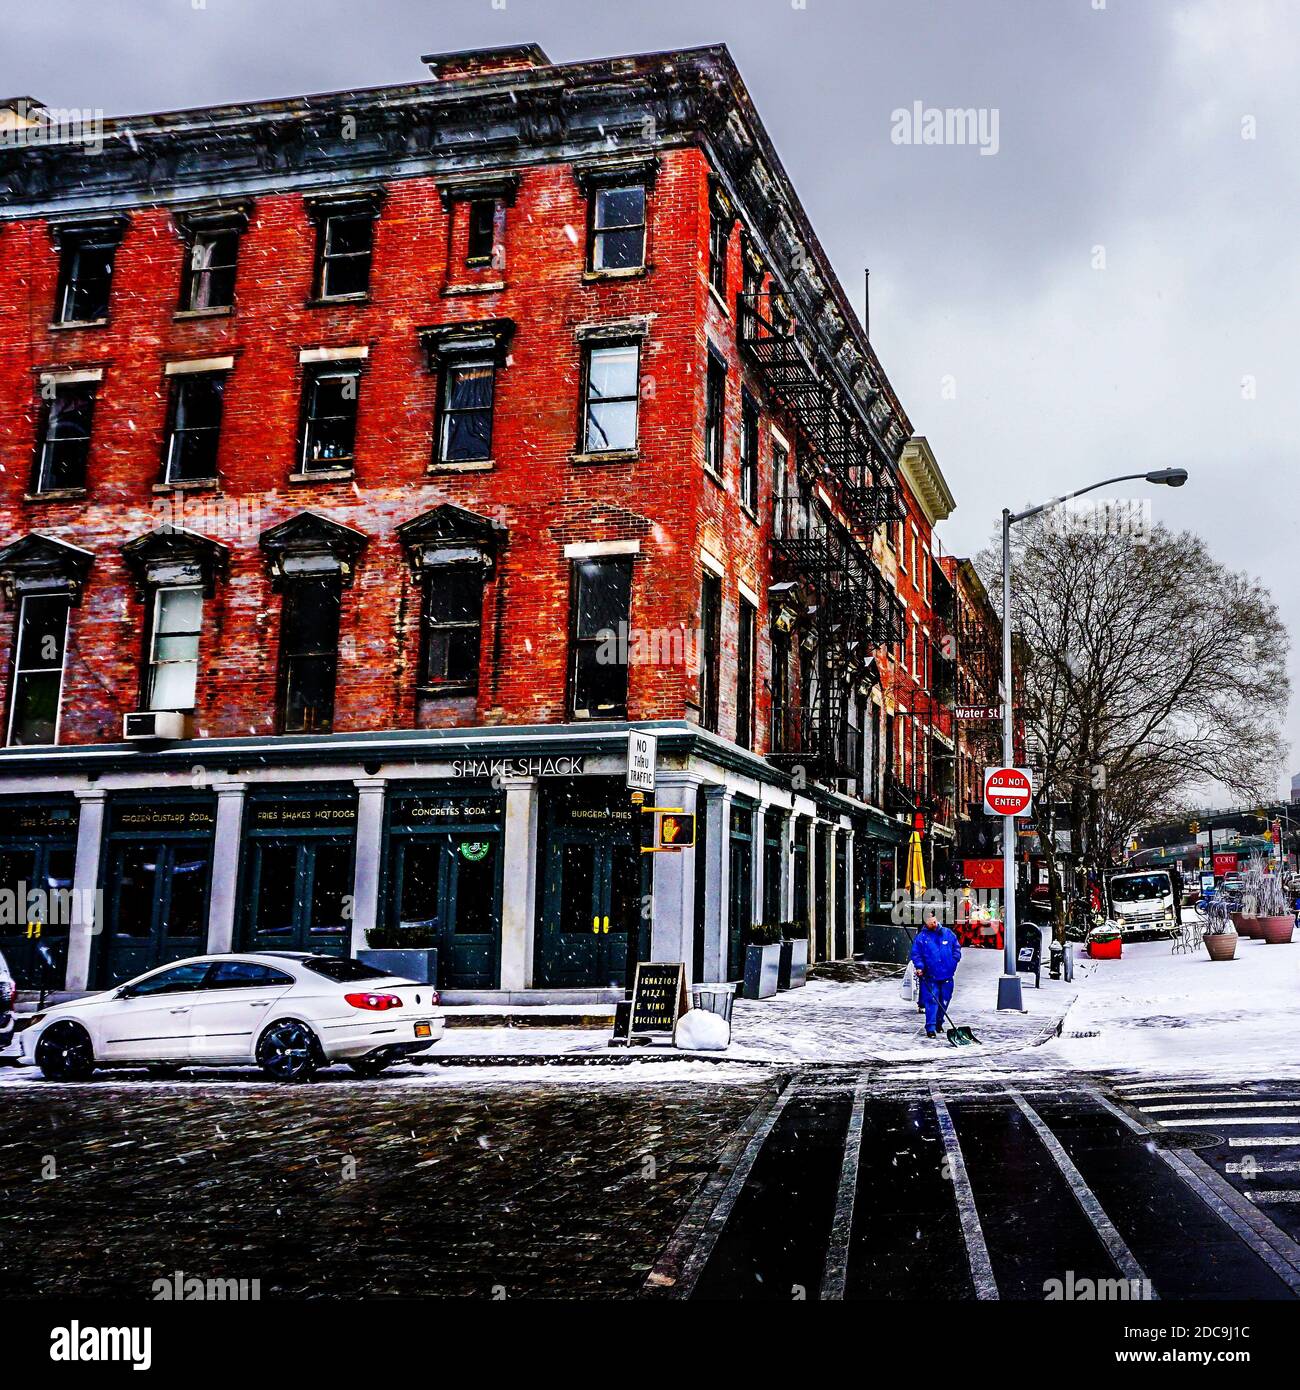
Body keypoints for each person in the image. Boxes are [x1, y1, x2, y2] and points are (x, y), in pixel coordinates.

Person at [910, 908, 962, 1038]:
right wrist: (920, 967)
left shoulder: (948, 933)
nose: (932, 923)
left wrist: (954, 961)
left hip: (947, 975)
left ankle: (939, 1022)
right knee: (932, 1001)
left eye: (933, 920)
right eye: (929, 921)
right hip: (930, 976)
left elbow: (956, 948)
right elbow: (916, 955)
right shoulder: (921, 938)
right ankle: (931, 1027)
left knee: (944, 1000)